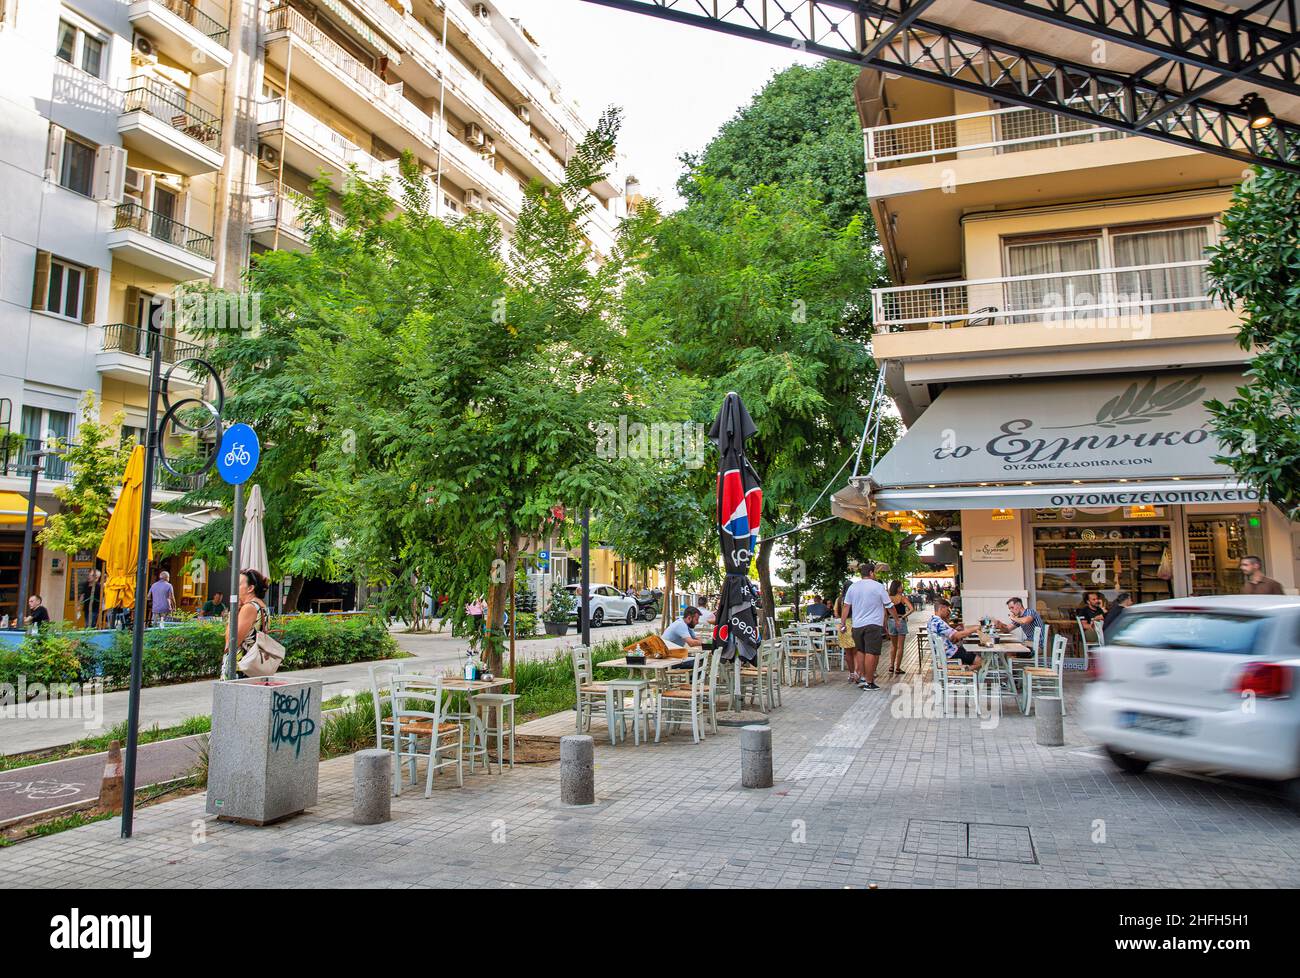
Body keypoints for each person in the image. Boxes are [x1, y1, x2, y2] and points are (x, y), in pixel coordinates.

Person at [840, 562, 896, 691]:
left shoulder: (853, 587)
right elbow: (889, 605)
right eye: (874, 572)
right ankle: (869, 682)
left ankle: (862, 677)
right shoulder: (878, 586)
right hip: (873, 624)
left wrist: (843, 624)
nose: (875, 574)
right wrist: (897, 619)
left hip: (857, 625)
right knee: (871, 652)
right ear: (871, 573)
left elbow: (846, 606)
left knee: (861, 651)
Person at [228, 568, 271, 676]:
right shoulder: (261, 606)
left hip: (241, 669)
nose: (233, 587)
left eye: (238, 584)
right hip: (254, 667)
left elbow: (231, 642)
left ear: (250, 588)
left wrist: (232, 613)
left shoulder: (249, 608)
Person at [928, 597, 982, 669]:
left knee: (967, 650)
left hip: (945, 652)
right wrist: (975, 628)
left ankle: (966, 669)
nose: (948, 612)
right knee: (980, 661)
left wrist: (955, 630)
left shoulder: (932, 621)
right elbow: (957, 636)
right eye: (947, 609)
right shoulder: (939, 622)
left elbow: (949, 636)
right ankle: (965, 670)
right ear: (941, 609)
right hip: (951, 653)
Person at [885, 580, 913, 675]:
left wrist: (885, 625)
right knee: (900, 647)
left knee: (893, 646)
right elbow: (912, 609)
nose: (902, 588)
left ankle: (891, 666)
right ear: (897, 588)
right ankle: (897, 668)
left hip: (891, 621)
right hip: (901, 621)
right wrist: (904, 616)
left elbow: (885, 613)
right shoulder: (902, 598)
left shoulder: (888, 598)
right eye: (901, 587)